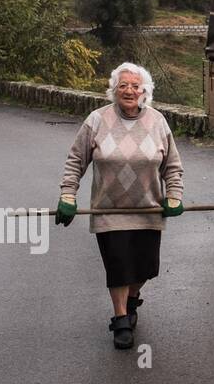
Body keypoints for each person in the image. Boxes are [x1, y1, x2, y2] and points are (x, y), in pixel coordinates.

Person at [56, 62, 185, 349]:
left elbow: (172, 165)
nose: (129, 90)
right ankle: (121, 320)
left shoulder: (158, 122)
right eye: (123, 85)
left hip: (148, 209)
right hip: (109, 211)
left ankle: (131, 299)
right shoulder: (96, 120)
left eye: (135, 86)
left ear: (145, 91)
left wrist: (174, 195)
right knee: (118, 265)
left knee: (145, 268)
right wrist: (68, 195)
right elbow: (76, 160)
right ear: (114, 89)